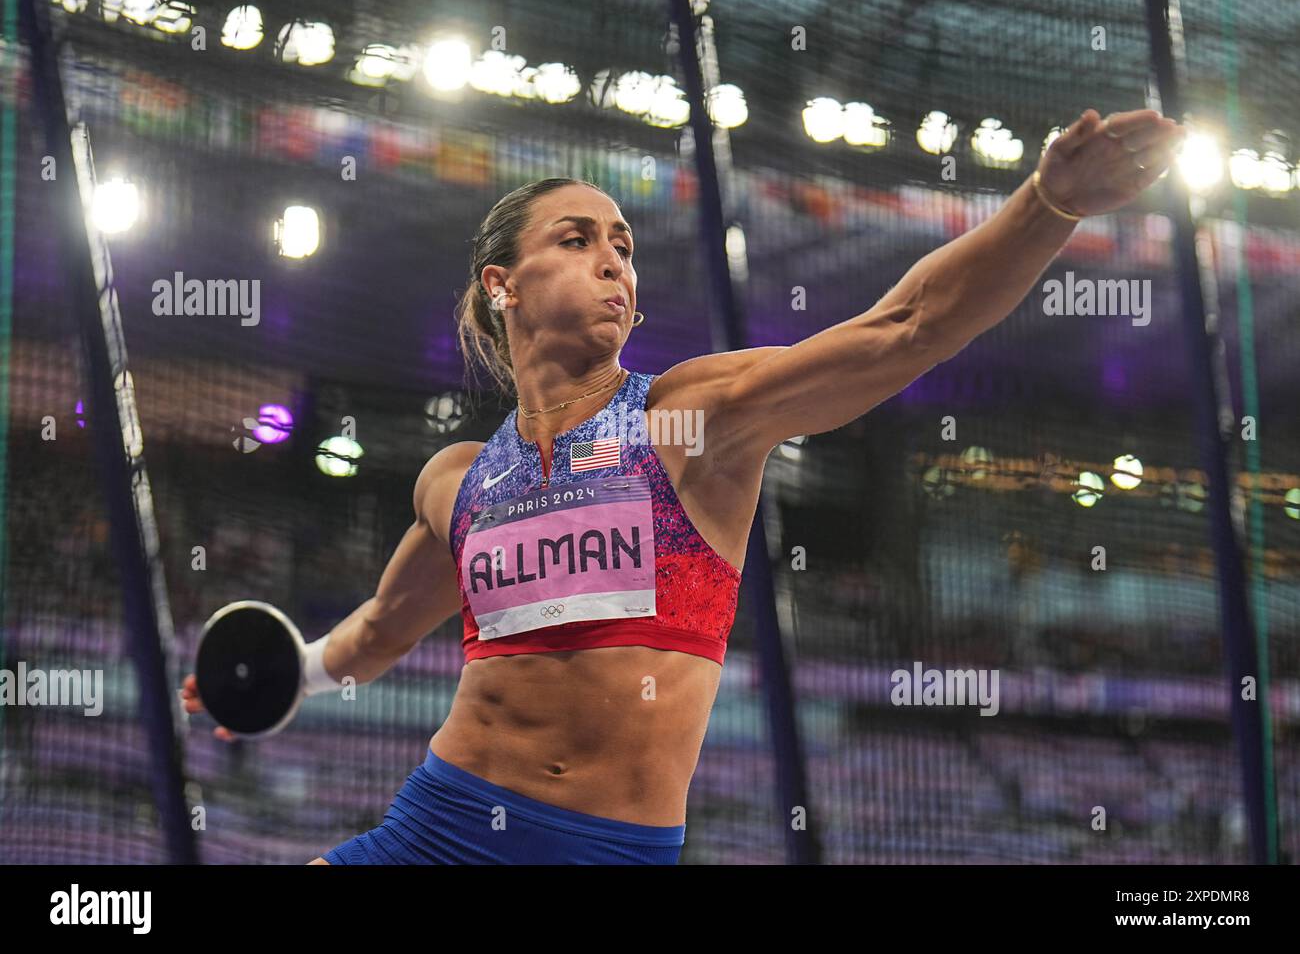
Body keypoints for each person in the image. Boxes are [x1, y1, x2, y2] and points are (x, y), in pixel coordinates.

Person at [180, 108, 1184, 864]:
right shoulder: (458, 480)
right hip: (436, 829)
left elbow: (901, 329)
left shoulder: (688, 422)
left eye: (623, 244)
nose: (615, 261)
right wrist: (275, 678)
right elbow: (379, 630)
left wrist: (1045, 205)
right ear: (503, 284)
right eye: (577, 239)